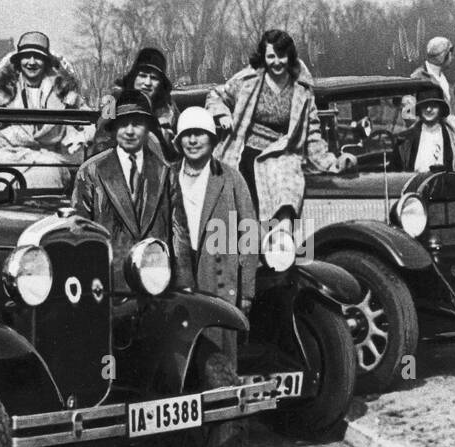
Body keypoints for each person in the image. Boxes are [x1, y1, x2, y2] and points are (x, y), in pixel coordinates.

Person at [205, 29, 353, 224]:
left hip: (283, 152)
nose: (276, 62)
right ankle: (248, 246)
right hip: (247, 151)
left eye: (281, 56)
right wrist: (222, 114)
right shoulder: (247, 81)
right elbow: (215, 96)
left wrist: (330, 163)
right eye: (271, 56)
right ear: (263, 57)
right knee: (243, 203)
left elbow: (312, 133)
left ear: (289, 56)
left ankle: (278, 243)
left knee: (287, 185)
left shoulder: (302, 90)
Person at [71, 88, 193, 293]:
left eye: (137, 124)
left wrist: (184, 285)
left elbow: (179, 233)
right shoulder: (91, 172)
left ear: (147, 128)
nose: (129, 131)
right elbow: (80, 233)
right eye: (123, 124)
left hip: (155, 284)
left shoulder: (165, 173)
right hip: (108, 286)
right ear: (114, 127)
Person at [173, 105, 257, 364]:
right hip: (179, 278)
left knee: (219, 358)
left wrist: (247, 291)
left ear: (212, 138)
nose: (193, 140)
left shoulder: (231, 178)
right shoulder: (167, 176)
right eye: (187, 134)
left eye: (200, 133)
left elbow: (250, 233)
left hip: (219, 280)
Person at [0, 31, 93, 189]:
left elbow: (88, 121)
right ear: (19, 59)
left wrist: (76, 140)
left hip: (51, 160)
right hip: (8, 158)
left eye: (38, 57)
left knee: (47, 176)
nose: (31, 62)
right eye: (26, 56)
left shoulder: (64, 91)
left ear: (46, 61)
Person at [96, 47, 178, 160]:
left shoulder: (167, 107)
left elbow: (175, 150)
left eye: (154, 78)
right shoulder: (114, 100)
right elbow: (101, 139)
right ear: (134, 77)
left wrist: (161, 129)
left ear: (160, 84)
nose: (147, 83)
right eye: (143, 75)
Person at [393, 84, 455, 173]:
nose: (428, 109)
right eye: (424, 105)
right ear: (419, 109)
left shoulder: (454, 138)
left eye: (433, 105)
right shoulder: (404, 140)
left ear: (440, 108)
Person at [403, 36, 455, 135]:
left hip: (449, 137)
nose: (452, 57)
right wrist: (423, 132)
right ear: (443, 56)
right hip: (428, 140)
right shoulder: (417, 78)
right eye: (450, 54)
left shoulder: (446, 79)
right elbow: (408, 113)